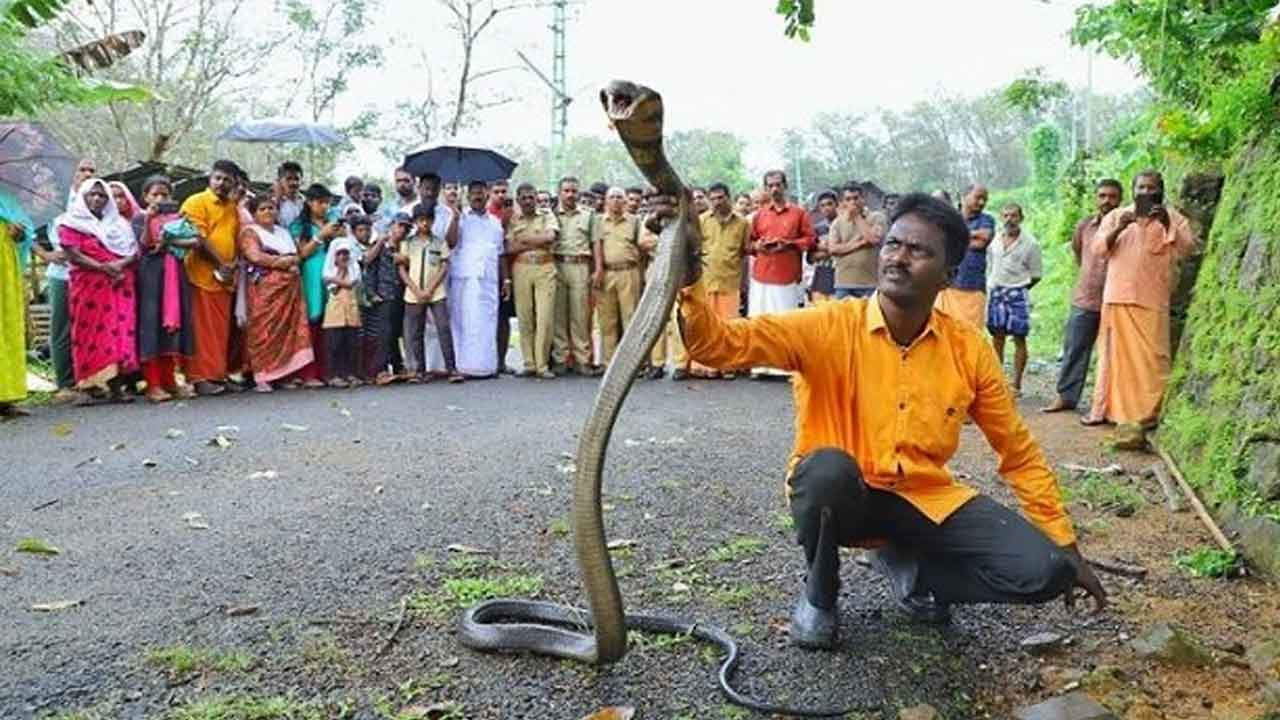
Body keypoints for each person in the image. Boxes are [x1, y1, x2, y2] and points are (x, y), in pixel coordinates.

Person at [672, 191, 1106, 649]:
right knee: (825, 470)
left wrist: (1065, 543)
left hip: (924, 497)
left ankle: (917, 575)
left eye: (919, 251)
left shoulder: (969, 349)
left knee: (1047, 572)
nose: (898, 258)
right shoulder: (826, 325)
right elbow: (715, 346)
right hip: (846, 496)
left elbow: (1017, 453)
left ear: (949, 275)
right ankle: (820, 595)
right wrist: (688, 277)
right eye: (894, 244)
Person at [1083, 171, 1197, 428]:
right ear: (1133, 191)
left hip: (1153, 299)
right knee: (1113, 360)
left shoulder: (1174, 218)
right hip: (1118, 297)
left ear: (1161, 190)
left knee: (1154, 361)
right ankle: (1108, 412)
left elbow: (1188, 248)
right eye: (1141, 188)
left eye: (1151, 188)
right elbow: (1099, 250)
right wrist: (1121, 226)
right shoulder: (1115, 216)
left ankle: (1148, 414)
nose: (1146, 192)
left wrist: (1166, 222)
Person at [1044, 179, 1122, 414]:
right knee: (1075, 348)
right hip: (1086, 297)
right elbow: (1079, 254)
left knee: (1115, 354)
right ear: (1095, 198)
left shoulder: (1129, 226)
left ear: (1121, 199)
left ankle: (1112, 405)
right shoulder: (1085, 226)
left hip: (1117, 298)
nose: (1107, 200)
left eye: (1112, 196)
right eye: (1102, 195)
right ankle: (1066, 397)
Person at [59, 178, 140, 403]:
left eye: (102, 196)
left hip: (118, 285)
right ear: (83, 196)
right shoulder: (72, 222)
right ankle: (86, 387)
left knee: (118, 332)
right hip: (88, 287)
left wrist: (119, 266)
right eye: (92, 195)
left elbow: (133, 251)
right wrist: (103, 267)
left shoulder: (119, 224)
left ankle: (116, 387)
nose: (97, 199)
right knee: (89, 334)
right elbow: (72, 253)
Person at [238, 195, 314, 393]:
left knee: (286, 331)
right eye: (262, 209)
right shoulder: (249, 232)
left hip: (289, 290)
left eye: (271, 208)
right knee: (264, 330)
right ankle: (262, 376)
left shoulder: (283, 232)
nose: (268, 212)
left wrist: (292, 261)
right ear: (254, 213)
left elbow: (297, 254)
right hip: (265, 290)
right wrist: (280, 263)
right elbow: (254, 256)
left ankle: (282, 375)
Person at [131, 175, 196, 403]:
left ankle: (169, 381)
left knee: (172, 328)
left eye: (164, 195)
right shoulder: (139, 218)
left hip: (174, 275)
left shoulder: (176, 218)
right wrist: (150, 220)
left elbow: (194, 241)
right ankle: (153, 384)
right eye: (154, 194)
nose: (159, 199)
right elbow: (144, 243)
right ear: (145, 197)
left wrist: (170, 240)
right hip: (150, 276)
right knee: (151, 326)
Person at [181, 160, 242, 396]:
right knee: (202, 330)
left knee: (220, 330)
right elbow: (198, 238)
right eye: (218, 178)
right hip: (201, 275)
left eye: (227, 180)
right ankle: (200, 378)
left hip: (224, 279)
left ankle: (218, 374)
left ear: (234, 183)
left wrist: (232, 264)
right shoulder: (196, 202)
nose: (221, 183)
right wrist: (221, 263)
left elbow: (235, 239)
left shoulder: (232, 208)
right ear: (210, 178)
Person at [37, 159, 96, 401]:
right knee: (61, 328)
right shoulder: (55, 201)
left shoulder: (97, 202)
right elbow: (32, 230)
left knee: (88, 327)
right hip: (61, 274)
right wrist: (46, 254)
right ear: (72, 174)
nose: (87, 174)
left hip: (91, 274)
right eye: (82, 169)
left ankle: (89, 380)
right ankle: (65, 382)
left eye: (92, 170)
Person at [747, 169, 815, 379]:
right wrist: (759, 245)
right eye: (770, 185)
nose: (774, 189)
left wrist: (789, 244)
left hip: (786, 276)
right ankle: (760, 366)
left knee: (785, 322)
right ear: (765, 189)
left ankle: (785, 367)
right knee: (760, 321)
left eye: (778, 184)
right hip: (761, 277)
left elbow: (810, 240)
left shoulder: (799, 213)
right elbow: (748, 244)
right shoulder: (759, 215)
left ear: (785, 186)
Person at [682, 182, 750, 380]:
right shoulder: (702, 220)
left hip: (730, 281)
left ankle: (727, 365)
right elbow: (694, 249)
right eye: (713, 199)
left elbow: (744, 254)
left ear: (729, 197)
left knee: (729, 326)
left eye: (720, 198)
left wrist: (744, 282)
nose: (716, 202)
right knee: (705, 325)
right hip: (706, 281)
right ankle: (704, 366)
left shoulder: (743, 223)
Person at [986, 203, 1043, 396]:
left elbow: (1036, 275)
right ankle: (997, 381)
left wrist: (1020, 288)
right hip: (996, 292)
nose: (1009, 219)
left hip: (1017, 293)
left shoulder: (1030, 244)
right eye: (1006, 215)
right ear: (1001, 218)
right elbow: (991, 265)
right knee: (997, 337)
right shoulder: (994, 240)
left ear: (1021, 218)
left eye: (1014, 216)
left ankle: (1016, 384)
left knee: (1019, 338)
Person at [402, 203, 462, 382]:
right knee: (416, 332)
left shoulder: (439, 242)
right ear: (415, 222)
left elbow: (444, 266)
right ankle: (420, 370)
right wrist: (415, 289)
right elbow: (402, 269)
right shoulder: (408, 243)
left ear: (433, 221)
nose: (425, 224)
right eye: (421, 221)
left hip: (436, 292)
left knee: (443, 328)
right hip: (413, 293)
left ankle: (452, 369)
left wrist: (429, 289)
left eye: (428, 220)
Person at [290, 183, 343, 388]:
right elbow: (301, 253)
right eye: (320, 202)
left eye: (327, 203)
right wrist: (321, 235)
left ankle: (330, 371)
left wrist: (339, 234)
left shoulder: (333, 222)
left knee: (331, 323)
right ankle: (309, 373)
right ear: (310, 202)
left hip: (333, 275)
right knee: (312, 321)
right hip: (311, 275)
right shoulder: (299, 225)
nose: (324, 207)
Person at [449, 180, 503, 378]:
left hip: (488, 278)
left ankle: (486, 366)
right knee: (463, 322)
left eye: (481, 193)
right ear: (468, 195)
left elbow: (500, 253)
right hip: (464, 278)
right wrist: (454, 218)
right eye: (473, 193)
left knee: (486, 322)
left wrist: (505, 280)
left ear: (487, 194)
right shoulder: (460, 218)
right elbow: (451, 242)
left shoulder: (495, 222)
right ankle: (462, 366)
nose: (477, 196)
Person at [508, 182, 560, 379]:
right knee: (525, 316)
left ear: (537, 198)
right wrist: (536, 239)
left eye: (532, 197)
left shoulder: (547, 215)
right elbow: (509, 248)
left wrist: (524, 240)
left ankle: (542, 364)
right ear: (518, 200)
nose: (528, 201)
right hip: (522, 268)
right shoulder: (513, 219)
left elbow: (550, 238)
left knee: (545, 317)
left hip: (545, 267)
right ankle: (529, 363)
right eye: (524, 198)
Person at [551, 176, 600, 376]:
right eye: (566, 191)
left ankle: (582, 360)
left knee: (580, 315)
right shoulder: (551, 215)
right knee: (558, 315)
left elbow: (596, 243)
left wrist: (598, 269)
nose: (570, 195)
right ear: (559, 193)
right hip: (557, 265)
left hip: (580, 266)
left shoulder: (589, 216)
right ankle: (561, 359)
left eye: (574, 191)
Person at [594, 187, 643, 367]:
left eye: (619, 197)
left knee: (630, 319)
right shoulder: (598, 221)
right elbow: (596, 247)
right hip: (606, 274)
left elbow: (642, 249)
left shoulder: (635, 221)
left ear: (625, 201)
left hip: (629, 272)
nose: (616, 200)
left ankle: (632, 364)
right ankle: (609, 363)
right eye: (612, 197)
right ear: (606, 201)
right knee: (607, 321)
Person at [933, 184, 993, 330]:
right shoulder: (951, 217)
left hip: (973, 286)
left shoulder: (987, 220)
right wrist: (971, 235)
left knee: (970, 334)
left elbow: (983, 240)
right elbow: (940, 239)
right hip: (946, 285)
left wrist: (956, 237)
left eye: (985, 199)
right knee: (943, 330)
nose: (981, 202)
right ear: (964, 197)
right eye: (978, 198)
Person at [362, 212, 409, 385]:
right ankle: (380, 370)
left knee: (396, 332)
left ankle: (398, 367)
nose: (402, 230)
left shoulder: (406, 247)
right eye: (399, 225)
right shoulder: (380, 245)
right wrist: (372, 293)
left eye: (406, 227)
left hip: (401, 295)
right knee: (384, 333)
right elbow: (368, 266)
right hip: (384, 294)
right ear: (391, 226)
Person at [0, 193, 34, 418]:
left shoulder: (7, 200)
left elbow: (26, 235)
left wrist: (20, 234)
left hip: (6, 272)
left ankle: (6, 397)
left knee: (9, 329)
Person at [322, 237, 364, 388]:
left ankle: (351, 374)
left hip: (351, 311)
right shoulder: (329, 271)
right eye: (339, 254)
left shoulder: (354, 269)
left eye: (346, 253)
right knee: (335, 345)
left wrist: (338, 278)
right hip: (335, 313)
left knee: (351, 344)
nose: (343, 257)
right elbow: (334, 288)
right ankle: (334, 375)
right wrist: (339, 271)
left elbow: (352, 282)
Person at [825, 185, 880, 300]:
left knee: (871, 317)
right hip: (844, 283)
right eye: (848, 199)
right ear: (842, 202)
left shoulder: (876, 217)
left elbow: (873, 239)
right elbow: (833, 249)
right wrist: (860, 243)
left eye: (856, 198)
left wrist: (857, 217)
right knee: (842, 317)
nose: (853, 202)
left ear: (863, 199)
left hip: (870, 283)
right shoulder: (837, 222)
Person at [807, 190, 839, 304]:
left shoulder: (845, 224)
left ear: (837, 205)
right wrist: (833, 249)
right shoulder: (817, 229)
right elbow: (810, 258)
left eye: (830, 204)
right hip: (821, 276)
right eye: (822, 205)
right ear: (819, 208)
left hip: (841, 276)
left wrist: (826, 247)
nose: (826, 208)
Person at [275, 161, 305, 228]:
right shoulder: (272, 204)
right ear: (280, 181)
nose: (293, 183)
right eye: (288, 179)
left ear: (302, 181)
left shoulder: (307, 203)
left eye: (297, 179)